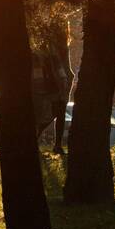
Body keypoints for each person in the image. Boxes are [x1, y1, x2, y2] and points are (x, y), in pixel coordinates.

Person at [32, 18, 74, 154]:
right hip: (55, 83)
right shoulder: (51, 45)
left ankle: (56, 145)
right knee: (54, 114)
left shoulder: (59, 45)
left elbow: (64, 65)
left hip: (60, 82)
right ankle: (52, 143)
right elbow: (55, 65)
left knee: (58, 113)